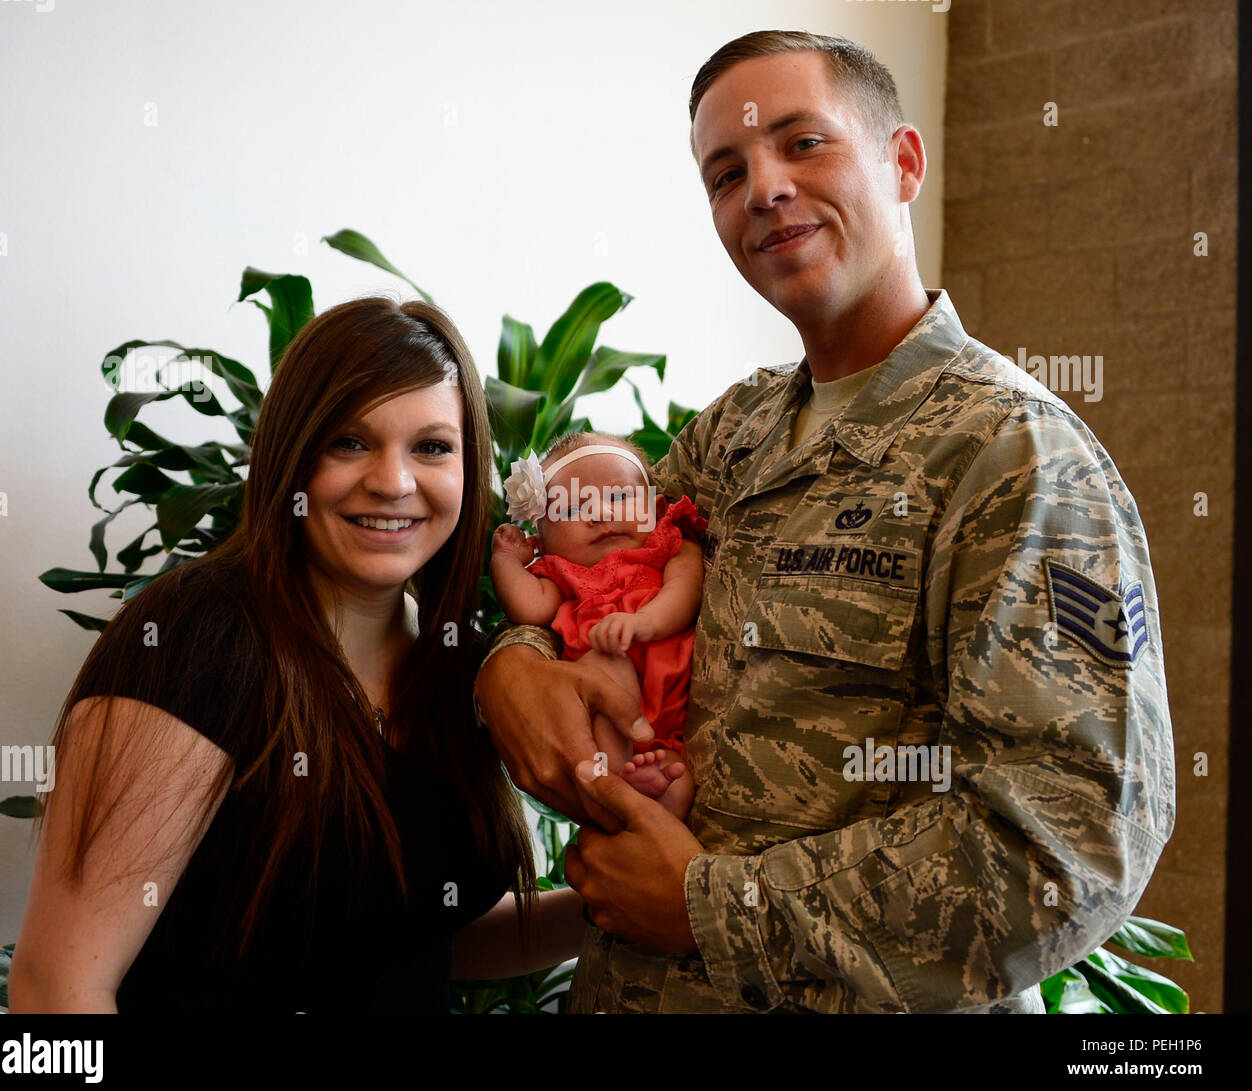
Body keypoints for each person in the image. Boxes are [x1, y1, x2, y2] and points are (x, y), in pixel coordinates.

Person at [474, 30, 1177, 1013]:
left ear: (902, 163)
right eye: (726, 171)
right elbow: (593, 568)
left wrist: (713, 906)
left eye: (802, 143)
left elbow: (1069, 843)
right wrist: (511, 660)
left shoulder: (1014, 455)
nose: (762, 187)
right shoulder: (734, 433)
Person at [9, 296, 586, 1013]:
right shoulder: (197, 638)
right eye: (350, 441)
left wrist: (607, 906)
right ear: (292, 456)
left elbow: (415, 940)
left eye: (432, 446)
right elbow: (53, 988)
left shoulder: (455, 663)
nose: (393, 480)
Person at [490, 432, 705, 818]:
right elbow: (529, 608)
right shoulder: (562, 573)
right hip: (606, 703)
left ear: (655, 509)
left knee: (678, 780)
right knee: (603, 664)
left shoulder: (668, 544)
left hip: (674, 700)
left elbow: (684, 591)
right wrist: (507, 560)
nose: (600, 513)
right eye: (571, 510)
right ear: (544, 538)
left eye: (621, 498)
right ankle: (616, 777)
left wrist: (645, 622)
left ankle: (649, 806)